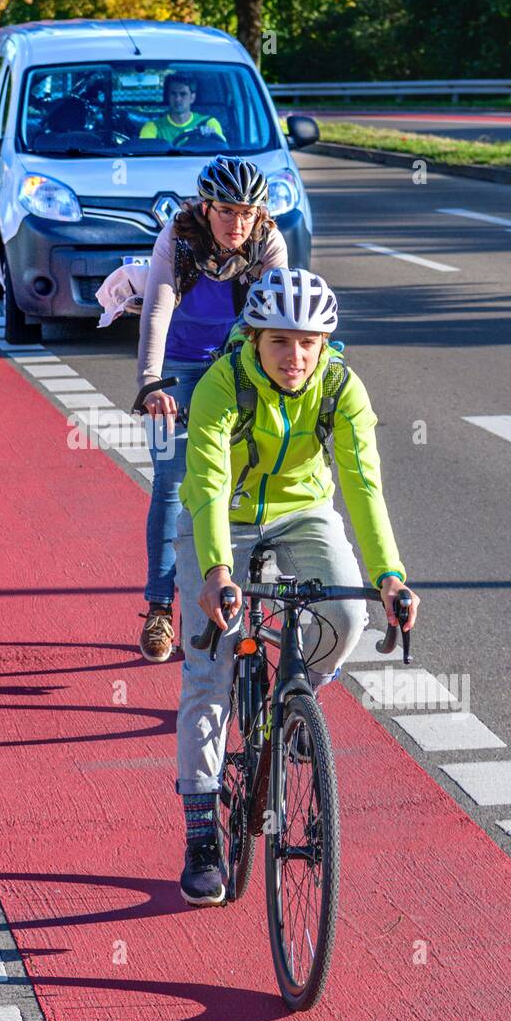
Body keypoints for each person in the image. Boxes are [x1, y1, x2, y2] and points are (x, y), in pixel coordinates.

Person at [173, 266, 419, 905]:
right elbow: (205, 483)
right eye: (280, 341)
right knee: (210, 670)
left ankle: (299, 696)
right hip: (221, 518)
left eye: (308, 341)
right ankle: (202, 836)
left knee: (349, 617)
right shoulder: (221, 385)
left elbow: (363, 485)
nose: (295, 355)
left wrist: (389, 576)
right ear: (253, 338)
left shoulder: (341, 386)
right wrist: (217, 573)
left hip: (304, 510)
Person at [133, 156, 288, 663]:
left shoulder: (268, 241)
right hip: (177, 362)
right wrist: (151, 383)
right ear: (206, 206)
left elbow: (279, 314)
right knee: (172, 481)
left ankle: (247, 590)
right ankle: (159, 609)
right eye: (227, 211)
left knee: (245, 471)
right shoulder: (177, 237)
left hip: (236, 358)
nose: (237, 223)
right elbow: (156, 307)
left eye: (248, 212)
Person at [138, 72, 224, 144]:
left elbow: (222, 153)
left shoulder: (208, 123)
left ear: (192, 97)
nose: (177, 99)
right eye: (173, 94)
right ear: (167, 96)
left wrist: (208, 139)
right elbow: (142, 158)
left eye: (183, 94)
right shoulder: (153, 127)